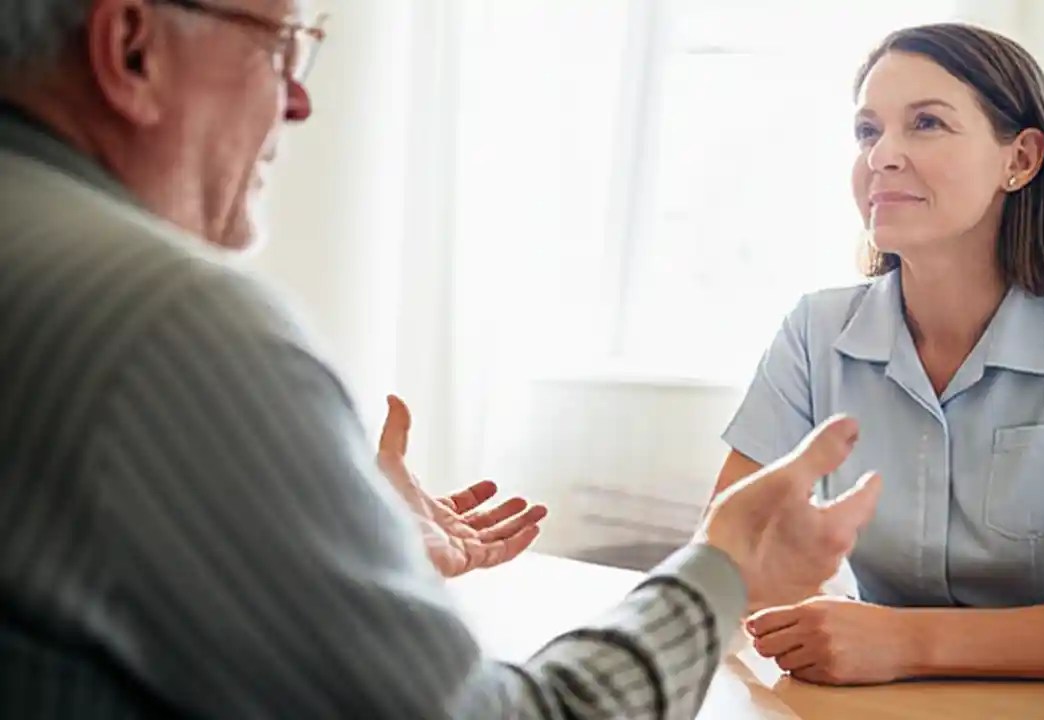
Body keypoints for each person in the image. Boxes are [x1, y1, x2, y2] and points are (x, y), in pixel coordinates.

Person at [0, 1, 883, 718]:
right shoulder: (179, 327)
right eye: (280, 47)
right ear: (132, 47)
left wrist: (335, 538)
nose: (298, 102)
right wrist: (723, 567)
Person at [710, 23, 1044, 686]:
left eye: (926, 123)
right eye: (867, 131)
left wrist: (908, 641)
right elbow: (719, 568)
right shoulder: (813, 331)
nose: (882, 155)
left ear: (1021, 160)